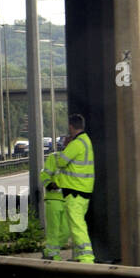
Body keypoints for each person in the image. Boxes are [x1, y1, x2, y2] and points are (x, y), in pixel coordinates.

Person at [54, 113, 95, 263]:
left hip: (74, 192)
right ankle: (75, 255)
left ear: (71, 127)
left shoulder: (76, 144)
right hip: (82, 190)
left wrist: (65, 146)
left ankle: (86, 258)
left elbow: (60, 162)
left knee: (77, 226)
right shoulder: (85, 141)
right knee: (70, 226)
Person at [40, 146, 67, 260]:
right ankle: (53, 255)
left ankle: (49, 251)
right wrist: (50, 184)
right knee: (53, 231)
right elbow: (44, 175)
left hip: (67, 200)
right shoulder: (54, 157)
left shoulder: (74, 160)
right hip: (53, 199)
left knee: (67, 231)